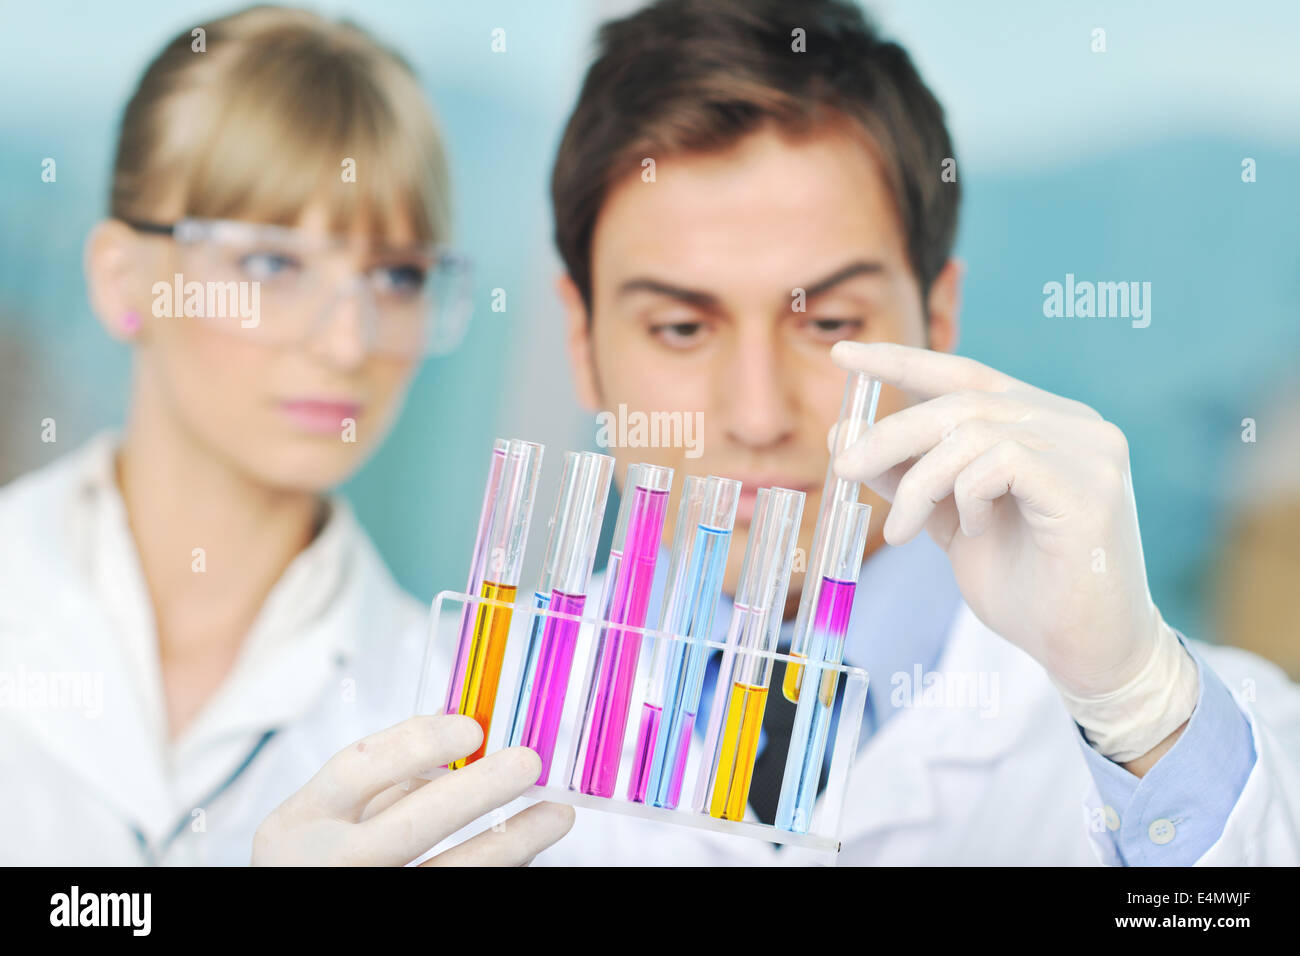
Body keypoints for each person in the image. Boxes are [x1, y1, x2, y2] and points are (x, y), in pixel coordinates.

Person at [500, 0, 1300, 864]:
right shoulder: (448, 716)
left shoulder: (1206, 745)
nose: (759, 416)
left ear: (939, 317)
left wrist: (1136, 711)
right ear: (582, 346)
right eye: (682, 330)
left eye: (827, 322)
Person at [0, 6, 572, 866]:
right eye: (271, 264)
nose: (347, 342)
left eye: (396, 276)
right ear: (123, 280)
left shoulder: (461, 715)